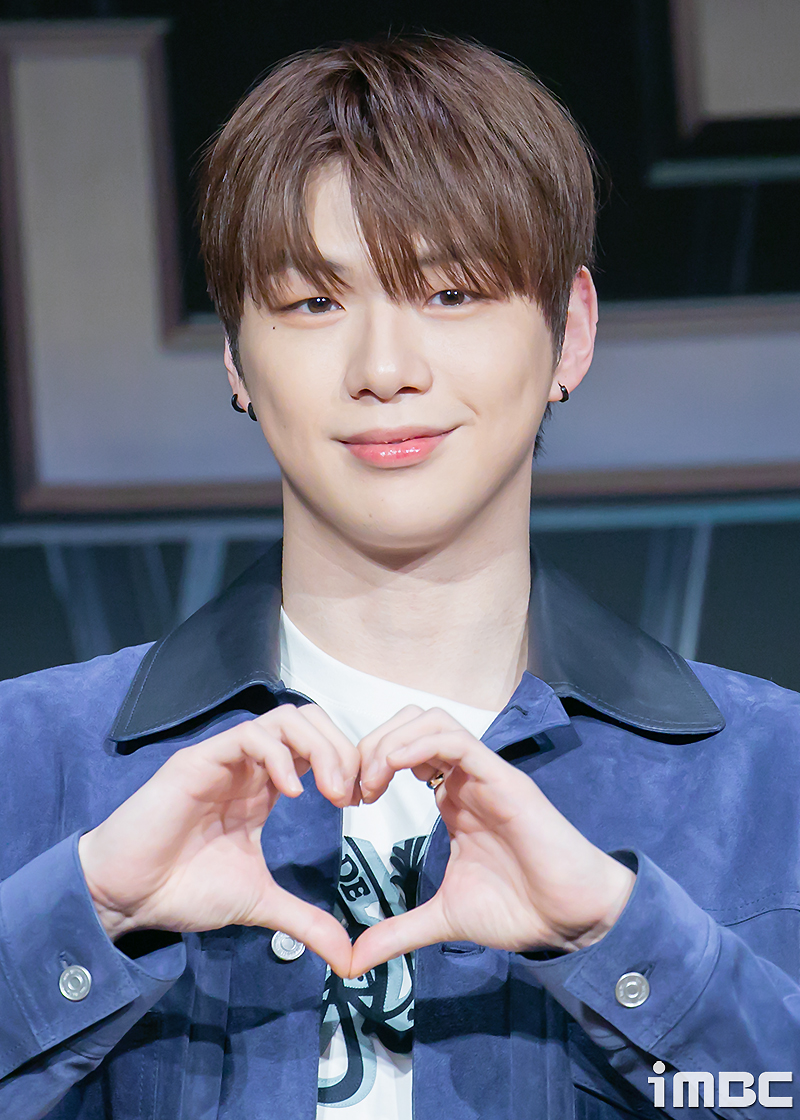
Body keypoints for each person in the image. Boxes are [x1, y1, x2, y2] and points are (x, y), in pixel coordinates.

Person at [1, 33, 799, 1120]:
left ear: (569, 333)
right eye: (313, 303)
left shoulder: (768, 780)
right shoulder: (30, 761)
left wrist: (621, 939)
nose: (384, 369)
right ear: (235, 354)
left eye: (452, 293)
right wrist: (82, 914)